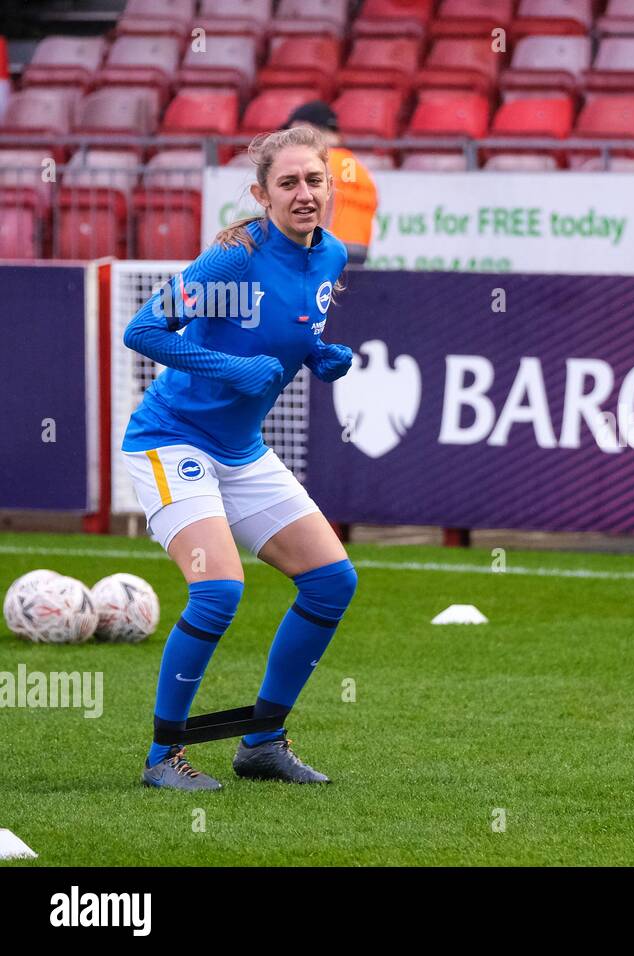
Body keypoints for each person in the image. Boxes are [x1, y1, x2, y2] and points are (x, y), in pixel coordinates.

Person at [122, 126, 357, 791]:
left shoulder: (332, 255)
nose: (304, 194)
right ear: (263, 194)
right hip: (171, 440)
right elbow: (142, 328)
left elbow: (293, 328)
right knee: (220, 589)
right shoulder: (234, 258)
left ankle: (261, 742)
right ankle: (163, 757)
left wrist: (319, 356)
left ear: (330, 186)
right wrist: (231, 367)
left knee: (333, 582)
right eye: (288, 183)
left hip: (241, 449)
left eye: (314, 180)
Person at [285, 100, 378, 265]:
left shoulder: (318, 161)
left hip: (327, 248)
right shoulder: (355, 166)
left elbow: (322, 205)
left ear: (306, 127)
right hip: (358, 251)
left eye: (293, 133)